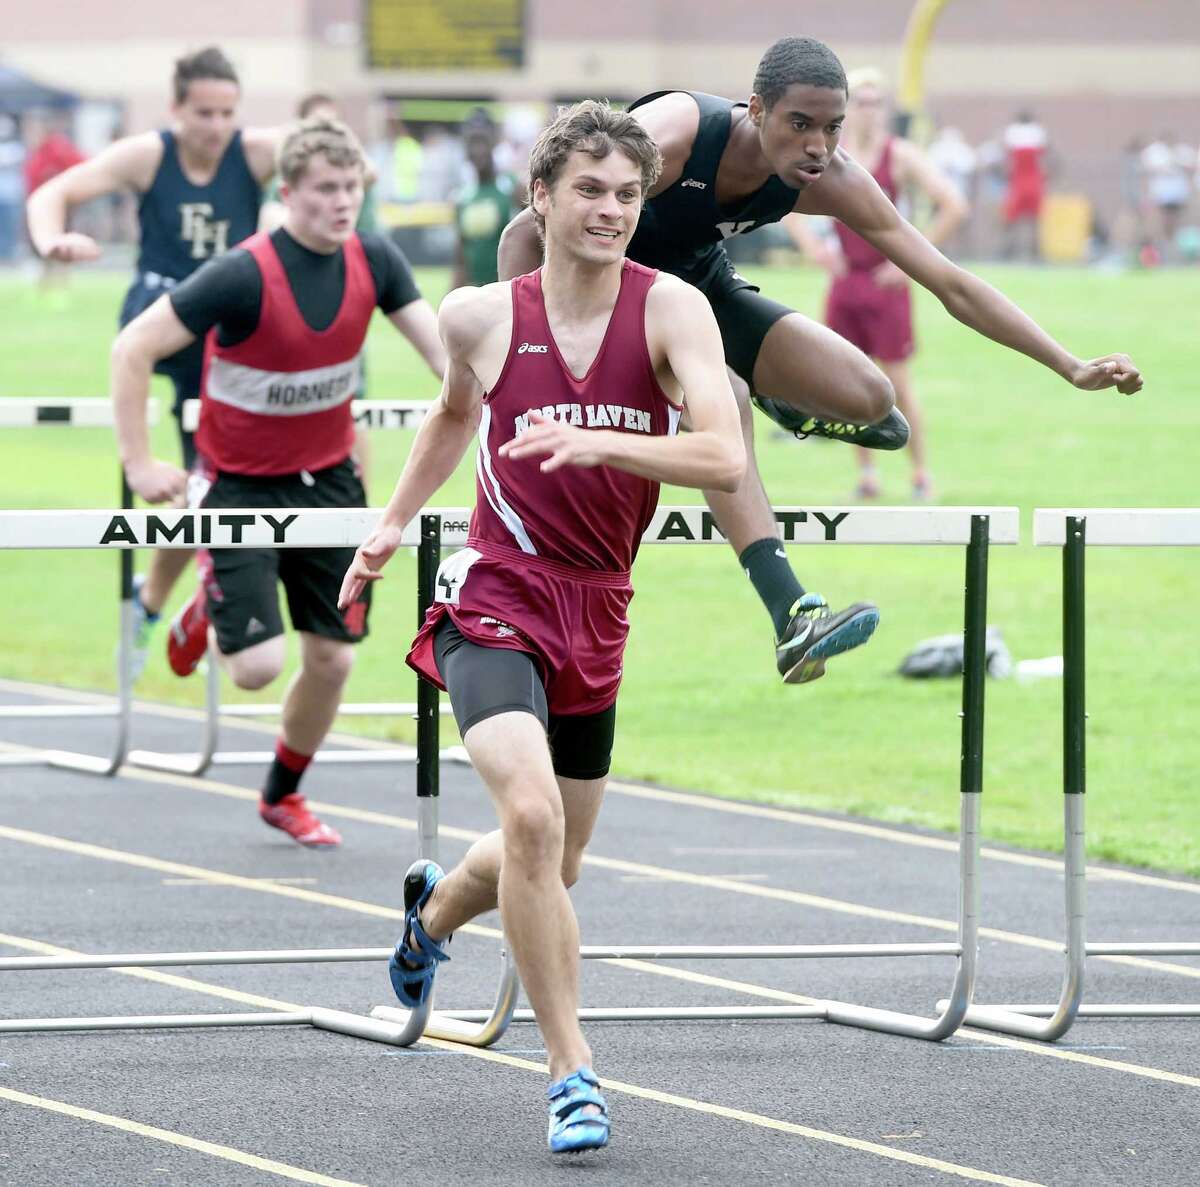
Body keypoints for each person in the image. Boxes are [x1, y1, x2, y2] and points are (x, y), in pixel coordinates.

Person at [337, 100, 743, 1152]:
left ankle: (432, 912)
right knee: (529, 816)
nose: (612, 210)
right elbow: (452, 414)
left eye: (629, 195)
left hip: (599, 604)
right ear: (543, 197)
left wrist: (606, 446)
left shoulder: (671, 311)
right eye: (591, 190)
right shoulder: (479, 317)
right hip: (496, 592)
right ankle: (571, 1072)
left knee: (552, 859)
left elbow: (723, 456)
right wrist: (389, 527)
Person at [500, 37, 1143, 684]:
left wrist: (1069, 365)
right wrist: (534, 355)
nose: (818, 146)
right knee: (723, 397)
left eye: (832, 128)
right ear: (756, 110)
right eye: (800, 125)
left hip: (702, 288)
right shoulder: (676, 134)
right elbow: (525, 231)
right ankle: (792, 615)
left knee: (873, 399)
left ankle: (780, 397)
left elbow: (951, 283)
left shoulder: (831, 178)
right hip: (621, 296)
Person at [111, 117, 446, 848]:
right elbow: (132, 347)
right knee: (257, 669)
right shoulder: (241, 273)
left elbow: (444, 358)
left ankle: (282, 793)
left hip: (329, 482)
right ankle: (209, 604)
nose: (342, 201)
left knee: (333, 658)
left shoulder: (375, 258)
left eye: (351, 186)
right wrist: (140, 463)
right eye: (325, 188)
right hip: (237, 486)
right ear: (287, 193)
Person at [26, 46, 280, 680]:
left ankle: (150, 601)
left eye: (226, 113)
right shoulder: (147, 155)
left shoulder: (255, 153)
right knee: (175, 471)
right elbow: (55, 191)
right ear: (176, 109)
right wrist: (52, 238)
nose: (215, 126)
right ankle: (137, 469)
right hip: (158, 316)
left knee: (206, 490)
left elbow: (340, 160)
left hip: (222, 330)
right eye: (203, 113)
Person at [785, 68, 968, 502]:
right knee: (850, 383)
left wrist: (909, 261)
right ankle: (867, 475)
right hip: (846, 282)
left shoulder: (899, 155)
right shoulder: (831, 154)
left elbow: (953, 205)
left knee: (898, 384)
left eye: (876, 102)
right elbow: (784, 199)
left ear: (885, 109)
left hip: (886, 287)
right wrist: (815, 248)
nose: (869, 111)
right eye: (861, 103)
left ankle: (920, 474)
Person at [451, 113, 514, 288]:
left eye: (482, 141)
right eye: (471, 143)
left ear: (493, 142)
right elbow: (461, 260)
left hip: (507, 291)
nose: (477, 150)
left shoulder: (511, 188)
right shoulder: (462, 197)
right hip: (477, 291)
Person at [1000, 110, 1049, 262]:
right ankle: (1035, 252)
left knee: (1013, 217)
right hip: (1033, 179)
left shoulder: (1012, 133)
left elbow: (1007, 157)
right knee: (1034, 218)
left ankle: (1010, 249)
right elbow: (1045, 156)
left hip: (1019, 179)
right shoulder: (1038, 133)